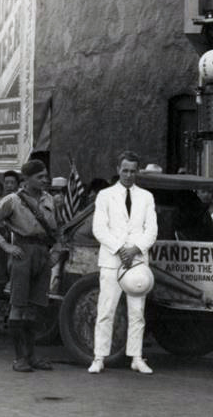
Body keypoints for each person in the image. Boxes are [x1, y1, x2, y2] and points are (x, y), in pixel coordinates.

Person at [0, 160, 59, 372]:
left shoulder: (49, 199)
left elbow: (56, 231)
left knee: (35, 307)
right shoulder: (12, 200)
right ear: (27, 179)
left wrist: (55, 255)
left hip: (43, 254)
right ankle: (19, 358)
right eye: (40, 177)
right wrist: (5, 245)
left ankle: (32, 356)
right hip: (22, 253)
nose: (45, 180)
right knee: (19, 306)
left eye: (45, 176)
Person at [88, 151, 158, 375]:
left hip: (137, 262)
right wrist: (120, 249)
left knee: (137, 312)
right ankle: (99, 357)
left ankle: (136, 357)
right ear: (118, 169)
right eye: (125, 170)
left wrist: (135, 249)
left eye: (133, 171)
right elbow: (99, 229)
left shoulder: (146, 197)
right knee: (106, 309)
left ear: (138, 172)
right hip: (112, 260)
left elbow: (152, 230)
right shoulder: (105, 195)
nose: (129, 175)